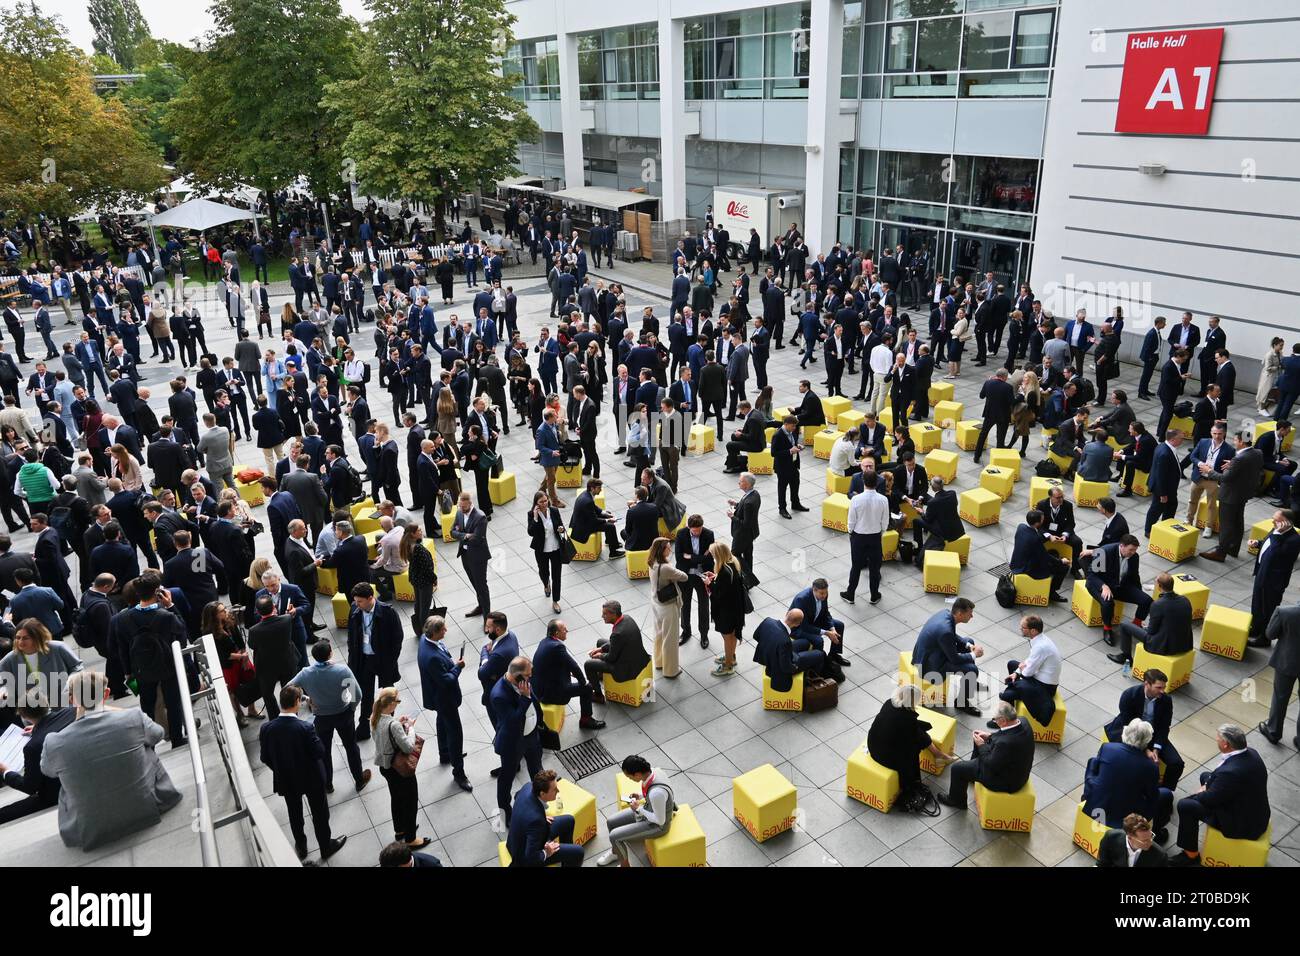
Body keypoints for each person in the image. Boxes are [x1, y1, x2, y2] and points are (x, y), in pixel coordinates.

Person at [41, 671, 182, 850]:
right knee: (144, 744)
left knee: (64, 776)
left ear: (71, 699)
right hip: (147, 808)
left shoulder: (54, 741)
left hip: (88, 828)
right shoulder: (132, 717)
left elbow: (48, 770)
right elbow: (158, 734)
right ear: (106, 694)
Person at [259, 684, 348, 860]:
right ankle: (325, 846)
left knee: (294, 814)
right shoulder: (305, 728)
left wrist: (280, 769)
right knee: (320, 814)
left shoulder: (266, 729)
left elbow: (265, 757)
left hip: (286, 780)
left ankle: (301, 846)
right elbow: (320, 752)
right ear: (297, 702)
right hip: (312, 779)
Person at [1170, 724, 1270, 866]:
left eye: (1218, 739)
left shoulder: (1230, 773)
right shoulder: (1252, 753)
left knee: (1185, 805)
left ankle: (1190, 855)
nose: (1216, 740)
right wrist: (1207, 785)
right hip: (1252, 810)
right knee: (1205, 776)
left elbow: (1210, 799)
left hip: (1240, 824)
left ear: (1225, 744)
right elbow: (1221, 782)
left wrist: (1200, 793)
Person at [288, 642, 371, 794]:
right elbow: (357, 695)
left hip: (321, 718)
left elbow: (288, 688)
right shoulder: (342, 671)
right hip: (343, 715)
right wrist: (351, 709)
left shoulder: (306, 673)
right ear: (330, 654)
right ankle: (359, 780)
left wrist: (306, 698)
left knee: (324, 751)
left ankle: (328, 784)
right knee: (351, 747)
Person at [1083, 717, 1174, 840]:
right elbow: (1152, 796)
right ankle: (1156, 831)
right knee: (1166, 795)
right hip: (1127, 816)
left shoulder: (1108, 748)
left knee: (1093, 762)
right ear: (1147, 741)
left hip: (1097, 805)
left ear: (1125, 733)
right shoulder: (1150, 766)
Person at [937, 700, 1034, 810]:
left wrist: (982, 745)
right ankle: (971, 774)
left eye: (995, 719)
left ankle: (956, 800)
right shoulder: (1023, 721)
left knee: (957, 768)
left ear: (1003, 720)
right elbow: (1006, 733)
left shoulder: (1005, 743)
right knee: (980, 741)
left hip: (1006, 781)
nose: (994, 721)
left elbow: (990, 763)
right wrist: (989, 736)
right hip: (1016, 768)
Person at [867, 683, 955, 802]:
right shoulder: (907, 718)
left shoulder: (889, 703)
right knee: (918, 739)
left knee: (918, 732)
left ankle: (939, 755)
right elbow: (910, 739)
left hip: (873, 744)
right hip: (884, 756)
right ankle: (939, 755)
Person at [416, 615, 474, 791]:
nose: (446, 631)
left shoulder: (425, 641)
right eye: (443, 629)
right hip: (444, 699)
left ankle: (445, 753)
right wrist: (458, 667)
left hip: (437, 697)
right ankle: (459, 772)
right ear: (434, 633)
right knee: (455, 734)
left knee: (442, 722)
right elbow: (446, 680)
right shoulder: (432, 657)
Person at [370, 685, 432, 849]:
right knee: (410, 801)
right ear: (390, 704)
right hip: (400, 769)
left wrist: (398, 722)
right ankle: (411, 838)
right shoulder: (394, 725)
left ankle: (400, 830)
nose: (397, 705)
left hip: (385, 767)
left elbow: (384, 732)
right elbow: (408, 748)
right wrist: (410, 727)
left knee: (396, 798)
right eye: (396, 702)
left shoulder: (374, 718)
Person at [0, 689, 75, 825]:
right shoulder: (72, 712)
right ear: (46, 702)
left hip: (58, 791)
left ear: (22, 715)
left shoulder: (33, 746)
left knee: (4, 813)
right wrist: (37, 728)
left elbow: (29, 787)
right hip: (78, 774)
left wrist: (5, 771)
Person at [1103, 669, 1185, 791]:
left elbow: (1164, 727)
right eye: (1159, 687)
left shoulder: (1166, 700)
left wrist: (1156, 749)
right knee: (1133, 764)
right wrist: (1146, 750)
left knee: (1177, 763)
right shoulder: (1129, 695)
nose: (1163, 691)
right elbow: (1128, 724)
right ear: (1147, 684)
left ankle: (1164, 792)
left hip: (1153, 735)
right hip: (1131, 732)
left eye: (1164, 687)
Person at [346, 581, 404, 742]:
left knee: (388, 696)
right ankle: (364, 727)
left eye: (360, 601)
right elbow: (351, 636)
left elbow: (397, 639)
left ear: (371, 597)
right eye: (356, 601)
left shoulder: (387, 612)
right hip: (364, 659)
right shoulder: (355, 609)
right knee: (366, 696)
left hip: (384, 660)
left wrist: (391, 661)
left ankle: (389, 727)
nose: (357, 604)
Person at [491, 656, 544, 824]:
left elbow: (534, 700)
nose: (531, 678)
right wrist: (525, 697)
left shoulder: (524, 682)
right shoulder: (499, 695)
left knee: (537, 770)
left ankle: (541, 799)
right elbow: (512, 720)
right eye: (528, 675)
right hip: (513, 743)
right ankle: (505, 813)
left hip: (531, 736)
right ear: (517, 676)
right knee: (507, 778)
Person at [597, 754, 676, 867]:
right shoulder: (655, 772)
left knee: (614, 836)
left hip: (658, 826)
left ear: (637, 774)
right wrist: (640, 796)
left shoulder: (656, 793)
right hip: (649, 810)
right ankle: (616, 852)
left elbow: (660, 821)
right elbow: (656, 795)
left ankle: (625, 865)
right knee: (611, 822)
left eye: (630, 777)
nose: (630, 779)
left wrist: (638, 809)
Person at [911, 600, 983, 715]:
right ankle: (961, 703)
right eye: (970, 613)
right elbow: (954, 659)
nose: (972, 616)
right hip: (931, 666)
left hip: (932, 654)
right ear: (960, 614)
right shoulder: (945, 631)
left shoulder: (945, 614)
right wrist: (974, 654)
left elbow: (951, 635)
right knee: (972, 670)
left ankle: (970, 681)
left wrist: (969, 646)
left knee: (969, 641)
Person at [533, 618, 605, 731]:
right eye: (564, 629)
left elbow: (555, 663)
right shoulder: (558, 647)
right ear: (556, 633)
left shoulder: (545, 641)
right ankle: (586, 720)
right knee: (587, 688)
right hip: (551, 694)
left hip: (539, 689)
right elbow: (574, 666)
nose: (567, 630)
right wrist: (584, 682)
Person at [1106, 572, 1192, 667]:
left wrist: (1146, 628)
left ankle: (1126, 657)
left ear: (1159, 586)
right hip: (1184, 643)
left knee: (1124, 625)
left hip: (1162, 646)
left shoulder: (1158, 605)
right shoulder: (1185, 600)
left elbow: (1151, 631)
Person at [1082, 534, 1153, 643]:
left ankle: (1136, 623)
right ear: (1122, 546)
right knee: (1108, 603)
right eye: (1131, 550)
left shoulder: (1134, 557)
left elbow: (1134, 576)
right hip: (1098, 584)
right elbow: (1092, 575)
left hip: (1119, 585)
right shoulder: (1104, 552)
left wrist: (1138, 592)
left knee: (1146, 600)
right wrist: (1103, 586)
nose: (1133, 552)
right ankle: (1107, 629)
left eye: (1135, 550)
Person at [507, 769, 585, 867]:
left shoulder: (528, 786)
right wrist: (546, 853)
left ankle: (566, 859)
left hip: (519, 838)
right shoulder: (536, 820)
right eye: (554, 789)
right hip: (523, 857)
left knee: (569, 820)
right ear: (542, 794)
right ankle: (569, 856)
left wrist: (541, 816)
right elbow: (531, 857)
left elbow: (517, 796)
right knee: (578, 852)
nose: (558, 791)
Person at [998, 615, 1059, 727]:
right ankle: (1013, 688)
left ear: (1033, 630)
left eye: (1023, 627)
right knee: (1012, 664)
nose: (1020, 629)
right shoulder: (1041, 639)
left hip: (1044, 687)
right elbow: (1028, 662)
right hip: (1038, 678)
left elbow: (1027, 673)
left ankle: (1007, 723)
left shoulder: (1040, 647)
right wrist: (1017, 672)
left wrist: (1021, 670)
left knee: (1007, 695)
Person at [584, 599, 652, 700]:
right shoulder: (627, 618)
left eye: (605, 614)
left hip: (626, 669)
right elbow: (617, 643)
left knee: (588, 665)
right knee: (600, 642)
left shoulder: (617, 634)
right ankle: (600, 674)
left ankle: (598, 695)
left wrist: (600, 656)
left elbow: (611, 658)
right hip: (637, 657)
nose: (602, 616)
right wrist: (601, 649)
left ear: (613, 614)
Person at [842, 472, 889, 605]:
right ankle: (874, 595)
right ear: (877, 483)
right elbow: (885, 521)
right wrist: (881, 532)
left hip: (858, 537)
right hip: (875, 537)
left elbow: (851, 520)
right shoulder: (883, 499)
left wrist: (850, 532)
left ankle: (850, 594)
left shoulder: (856, 500)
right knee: (875, 568)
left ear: (863, 482)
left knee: (856, 567)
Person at [753, 608, 825, 691]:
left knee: (805, 642)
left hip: (773, 654)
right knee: (819, 654)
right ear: (798, 624)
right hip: (779, 665)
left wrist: (770, 647)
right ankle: (813, 680)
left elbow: (755, 636)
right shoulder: (785, 641)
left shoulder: (768, 621)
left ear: (787, 613)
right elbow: (786, 667)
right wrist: (797, 666)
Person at [1259, 600, 1300, 746]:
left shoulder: (1284, 612)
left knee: (1280, 696)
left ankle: (1274, 731)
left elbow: (1270, 634)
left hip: (1287, 660)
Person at [646, 536, 688, 679]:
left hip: (655, 602)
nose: (670, 549)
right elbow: (684, 577)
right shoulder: (665, 568)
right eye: (668, 547)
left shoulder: (651, 562)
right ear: (662, 550)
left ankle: (659, 662)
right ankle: (671, 670)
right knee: (670, 638)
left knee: (658, 634)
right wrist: (671, 566)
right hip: (667, 606)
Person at [1009, 510, 1071, 602]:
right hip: (1027, 568)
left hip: (1016, 562)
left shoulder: (1021, 527)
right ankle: (1052, 592)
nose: (1043, 520)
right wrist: (1061, 561)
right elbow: (1045, 556)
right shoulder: (1035, 539)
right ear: (1038, 523)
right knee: (1063, 567)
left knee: (1053, 556)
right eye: (1042, 519)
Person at [674, 514, 714, 648]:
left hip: (702, 575)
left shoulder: (709, 534)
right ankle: (686, 632)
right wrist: (700, 557)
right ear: (689, 527)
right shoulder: (681, 534)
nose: (697, 533)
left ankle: (704, 634)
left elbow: (709, 559)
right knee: (685, 604)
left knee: (704, 605)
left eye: (699, 530)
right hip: (685, 575)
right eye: (694, 531)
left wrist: (690, 556)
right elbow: (679, 558)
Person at [451, 491, 492, 618]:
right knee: (475, 583)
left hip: (478, 557)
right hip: (465, 554)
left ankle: (487, 616)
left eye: (464, 506)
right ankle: (480, 607)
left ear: (470, 503)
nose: (461, 509)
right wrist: (466, 535)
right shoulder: (459, 513)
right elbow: (452, 532)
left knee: (481, 587)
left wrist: (462, 535)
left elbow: (478, 539)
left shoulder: (480, 517)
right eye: (460, 506)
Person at [527, 490, 567, 615]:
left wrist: (561, 529)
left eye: (545, 500)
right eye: (541, 502)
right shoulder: (531, 514)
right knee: (543, 571)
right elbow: (531, 532)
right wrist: (535, 517)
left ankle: (555, 601)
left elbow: (560, 526)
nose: (544, 503)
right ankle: (546, 584)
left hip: (555, 548)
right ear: (536, 503)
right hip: (541, 550)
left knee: (557, 575)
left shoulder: (554, 511)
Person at [1145, 428, 1184, 536]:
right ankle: (1149, 531)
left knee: (1170, 507)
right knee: (1156, 509)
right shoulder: (1165, 453)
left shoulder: (1163, 446)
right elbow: (1160, 475)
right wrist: (1163, 494)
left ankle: (1164, 528)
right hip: (1162, 489)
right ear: (1173, 439)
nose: (1183, 440)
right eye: (1181, 438)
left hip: (1167, 488)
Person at [727, 471, 761, 587]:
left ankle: (750, 579)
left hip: (743, 534)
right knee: (748, 555)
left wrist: (733, 517)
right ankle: (747, 580)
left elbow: (745, 523)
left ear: (746, 484)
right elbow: (746, 511)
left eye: (740, 481)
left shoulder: (749, 502)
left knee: (734, 554)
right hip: (750, 533)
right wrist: (736, 504)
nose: (738, 483)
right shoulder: (754, 494)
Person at [1098, 813, 1167, 867]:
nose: (1150, 842)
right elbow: (1103, 863)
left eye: (1151, 836)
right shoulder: (1111, 837)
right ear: (1130, 837)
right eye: (1144, 840)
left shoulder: (1160, 856)